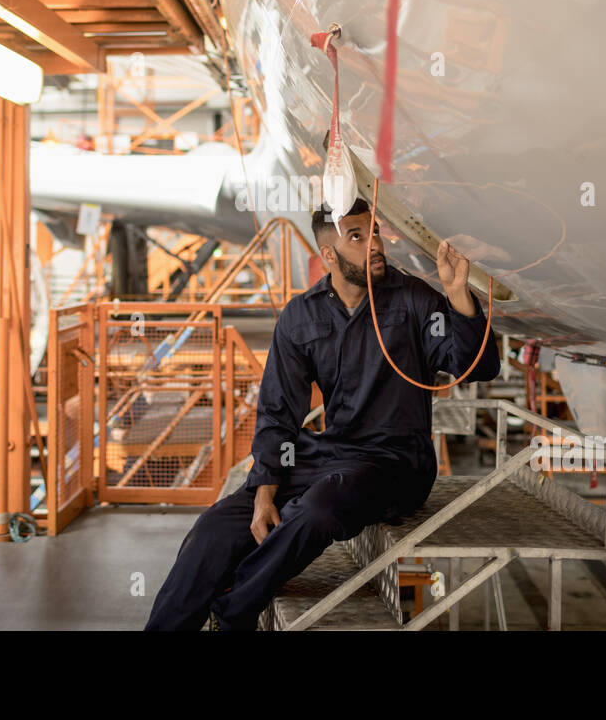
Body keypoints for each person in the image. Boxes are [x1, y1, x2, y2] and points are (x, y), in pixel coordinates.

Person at [144, 198, 501, 630]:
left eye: (374, 233)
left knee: (318, 507)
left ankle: (232, 614)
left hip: (397, 463)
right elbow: (279, 412)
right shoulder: (302, 315)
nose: (374, 244)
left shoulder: (414, 300)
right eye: (357, 236)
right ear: (328, 254)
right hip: (328, 456)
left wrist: (458, 294)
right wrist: (263, 493)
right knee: (214, 530)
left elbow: (478, 366)